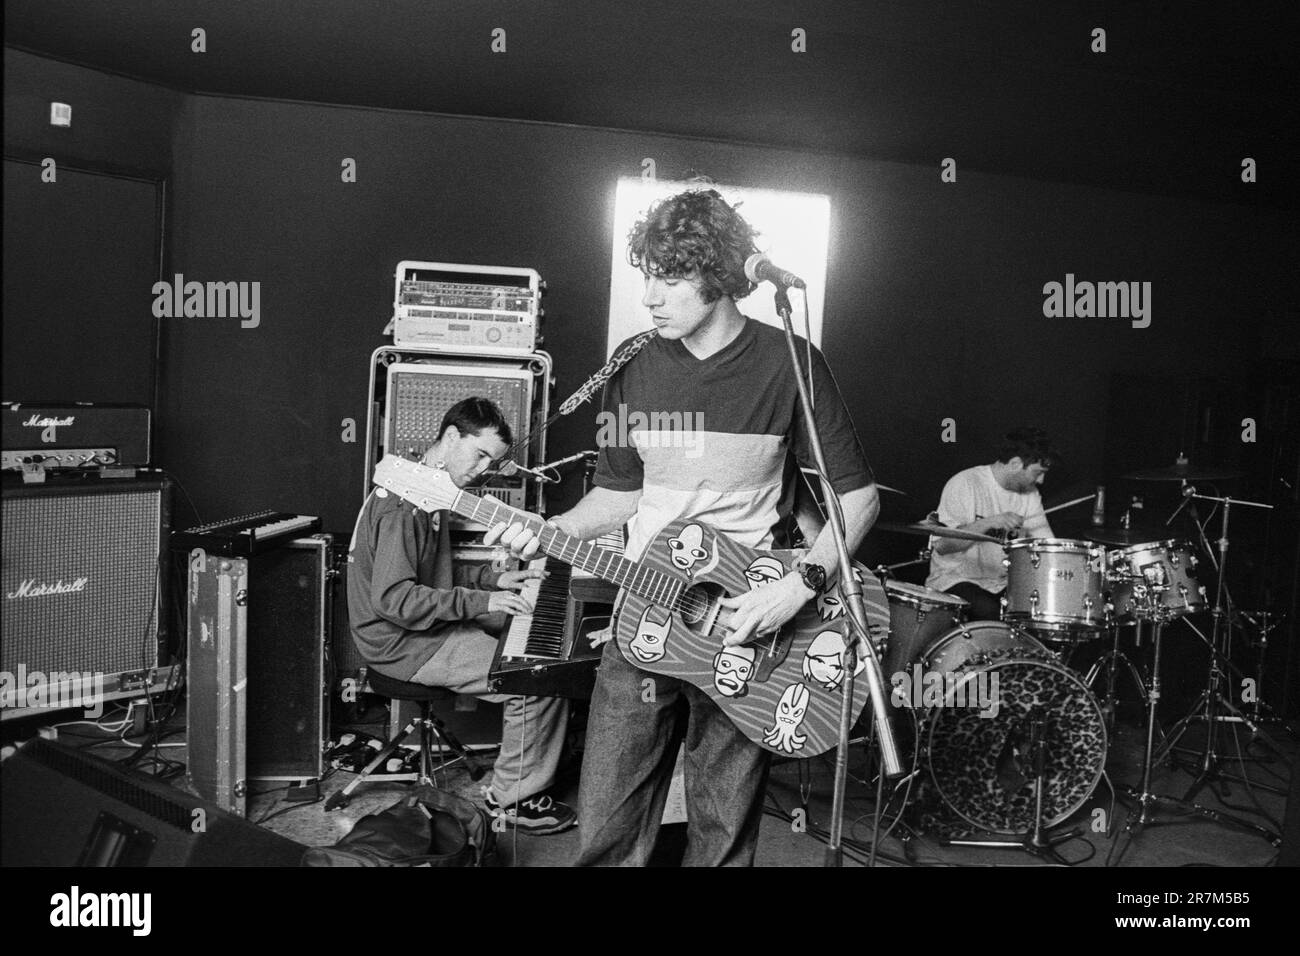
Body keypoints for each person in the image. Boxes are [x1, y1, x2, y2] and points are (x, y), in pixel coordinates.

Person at [485, 187, 879, 865]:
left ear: (721, 277)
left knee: (721, 832)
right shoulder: (629, 367)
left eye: (670, 279)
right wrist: (545, 528)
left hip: (748, 624)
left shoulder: (793, 364)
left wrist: (796, 588)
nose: (651, 298)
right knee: (607, 823)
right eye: (649, 278)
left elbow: (859, 499)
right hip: (642, 614)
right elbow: (615, 495)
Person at [347, 397, 575, 834]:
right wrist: (482, 602)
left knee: (534, 634)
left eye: (493, 460)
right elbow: (396, 601)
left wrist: (493, 581)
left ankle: (533, 767)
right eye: (481, 453)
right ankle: (512, 800)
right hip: (401, 644)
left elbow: (433, 574)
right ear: (451, 436)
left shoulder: (428, 492)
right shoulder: (404, 505)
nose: (482, 468)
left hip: (424, 628)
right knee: (535, 679)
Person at [925, 427, 1057, 621]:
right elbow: (943, 546)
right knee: (991, 612)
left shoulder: (1030, 495)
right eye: (1037, 473)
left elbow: (1046, 542)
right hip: (954, 579)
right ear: (1015, 463)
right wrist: (990, 522)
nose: (1042, 480)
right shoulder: (966, 483)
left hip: (1000, 584)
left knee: (1040, 612)